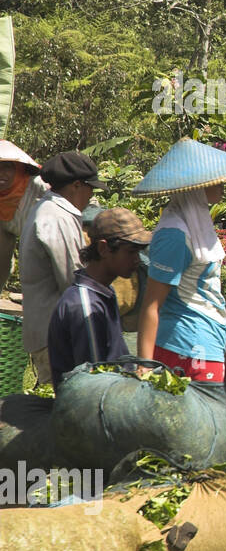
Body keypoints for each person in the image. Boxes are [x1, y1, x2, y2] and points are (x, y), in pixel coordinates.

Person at [134, 139, 226, 383]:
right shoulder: (174, 235)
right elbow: (152, 305)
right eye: (215, 180)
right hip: (184, 346)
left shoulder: (197, 224)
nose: (222, 184)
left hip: (207, 339)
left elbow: (209, 295)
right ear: (197, 185)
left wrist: (222, 348)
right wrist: (145, 366)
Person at [20, 152, 104, 384]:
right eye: (91, 188)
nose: (91, 195)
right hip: (54, 334)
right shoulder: (56, 217)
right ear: (77, 185)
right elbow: (73, 280)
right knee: (65, 408)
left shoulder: (49, 211)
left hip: (51, 330)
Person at [47, 208, 151, 387]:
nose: (137, 260)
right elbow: (95, 382)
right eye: (131, 252)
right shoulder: (86, 307)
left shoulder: (104, 293)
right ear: (103, 248)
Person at [0, 141, 48, 294]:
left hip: (43, 235)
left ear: (19, 168)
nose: (1, 173)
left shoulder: (39, 186)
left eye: (7, 167)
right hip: (7, 229)